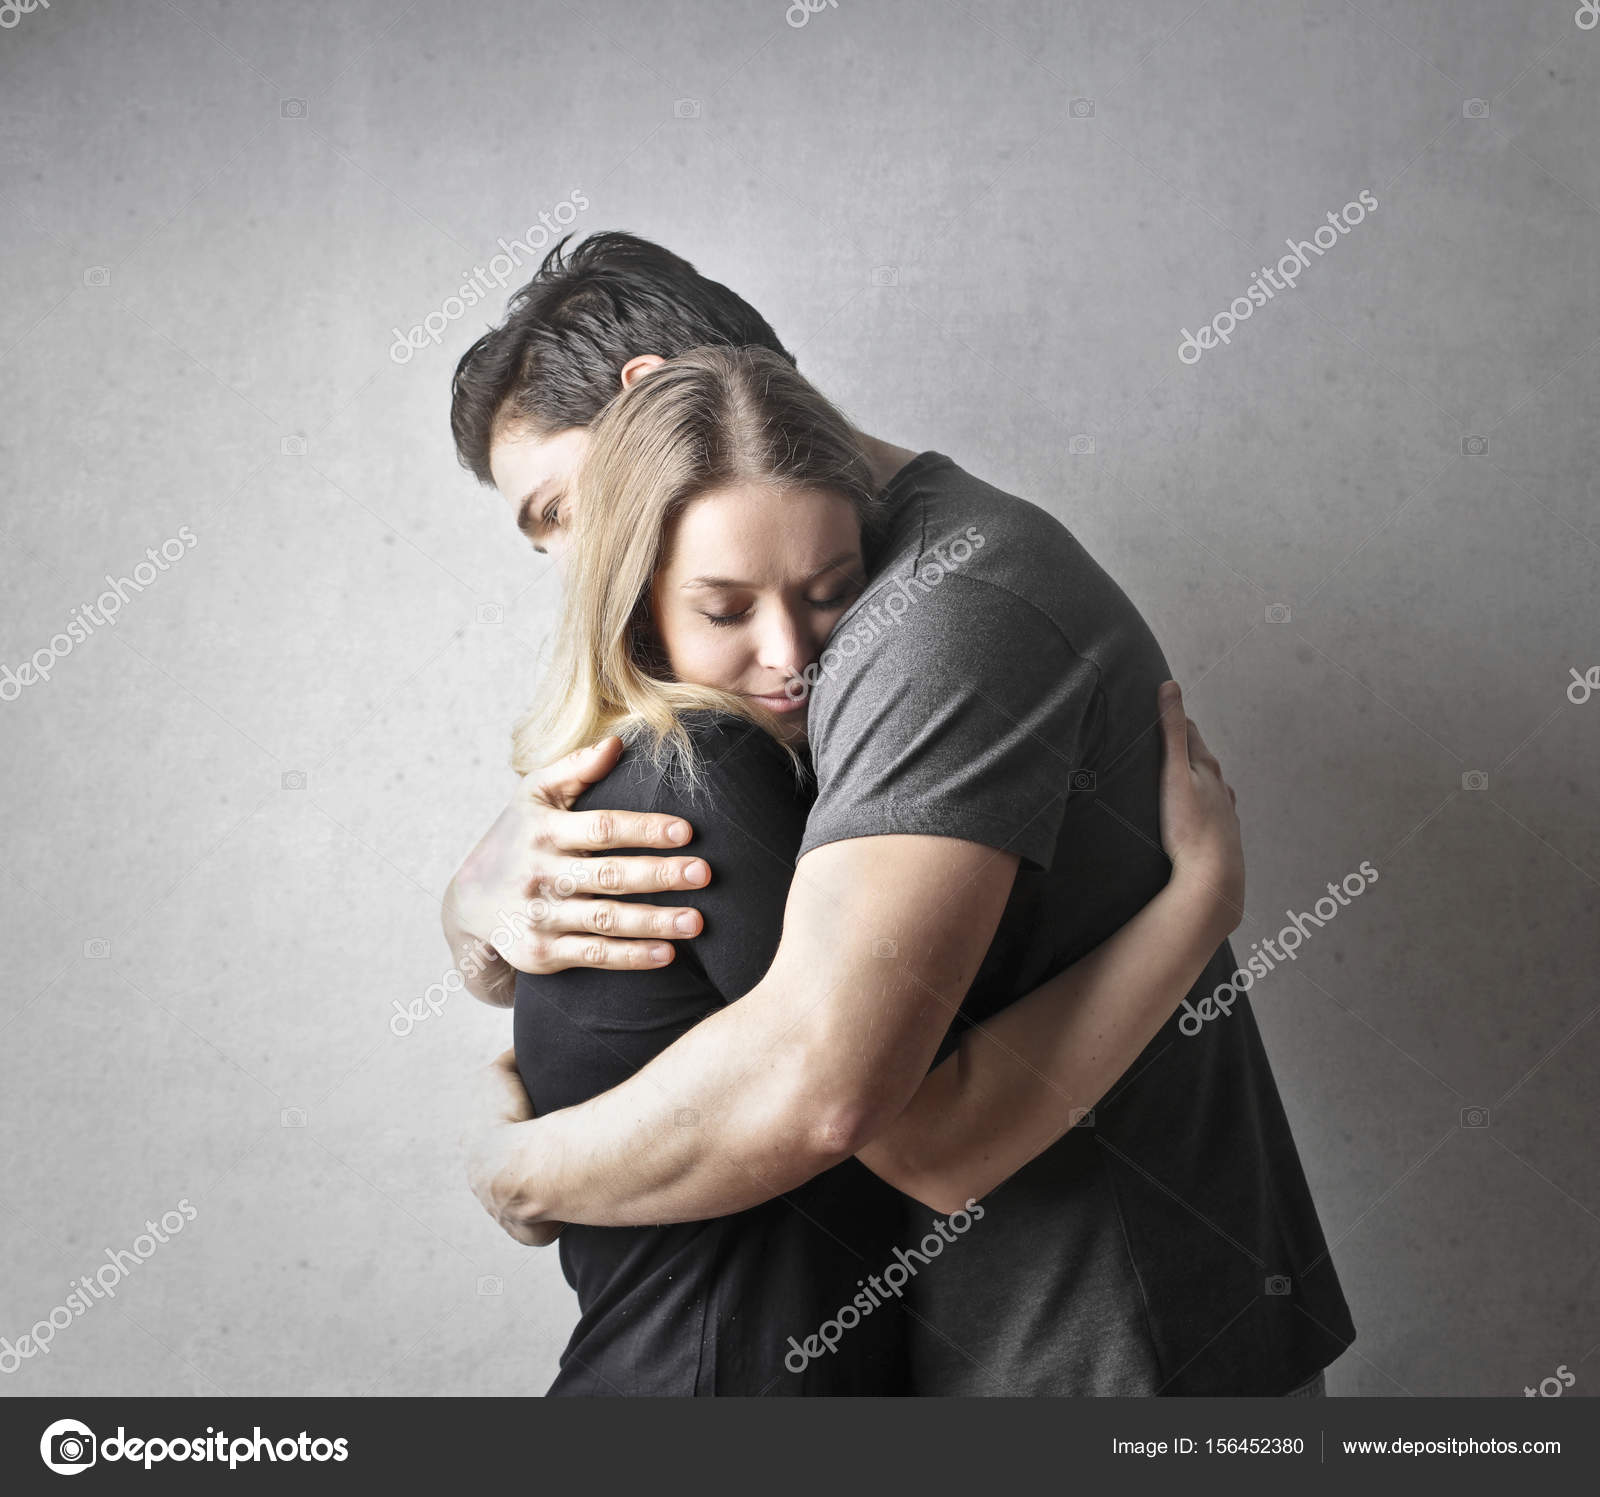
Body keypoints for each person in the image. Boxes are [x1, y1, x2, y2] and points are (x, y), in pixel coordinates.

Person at [447, 233, 1357, 1395]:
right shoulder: (806, 640)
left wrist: (513, 1173)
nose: (580, 565)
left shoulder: (938, 620)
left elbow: (840, 1097)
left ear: (656, 400)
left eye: (559, 510)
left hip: (1100, 1343)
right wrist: (474, 908)